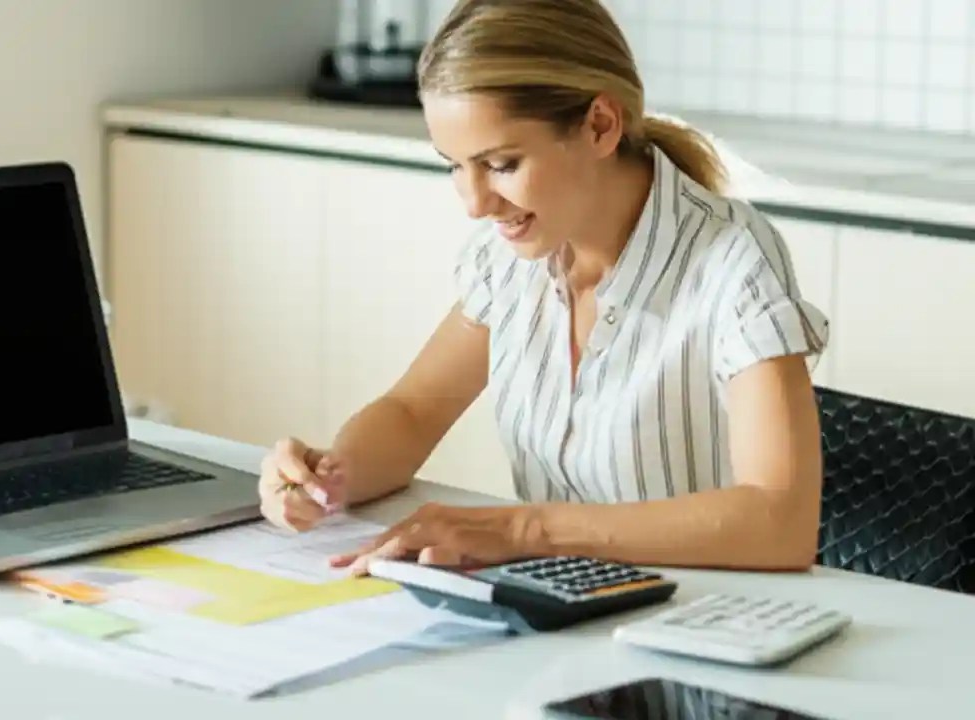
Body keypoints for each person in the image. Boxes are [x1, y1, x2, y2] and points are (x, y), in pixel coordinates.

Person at [258, 0, 829, 577]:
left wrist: (524, 529)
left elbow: (779, 522)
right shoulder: (510, 255)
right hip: (558, 609)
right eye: (454, 166)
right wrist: (329, 477)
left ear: (600, 126)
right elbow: (411, 412)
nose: (475, 204)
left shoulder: (732, 258)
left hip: (705, 616)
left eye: (502, 164)